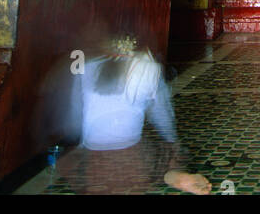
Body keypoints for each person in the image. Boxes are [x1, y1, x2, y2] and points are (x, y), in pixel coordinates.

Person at [52, 37, 210, 195]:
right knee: (165, 151)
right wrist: (173, 145)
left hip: (94, 166)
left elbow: (74, 121)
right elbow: (163, 119)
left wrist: (81, 148)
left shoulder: (86, 66)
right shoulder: (148, 66)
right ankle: (171, 175)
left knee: (71, 162)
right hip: (134, 160)